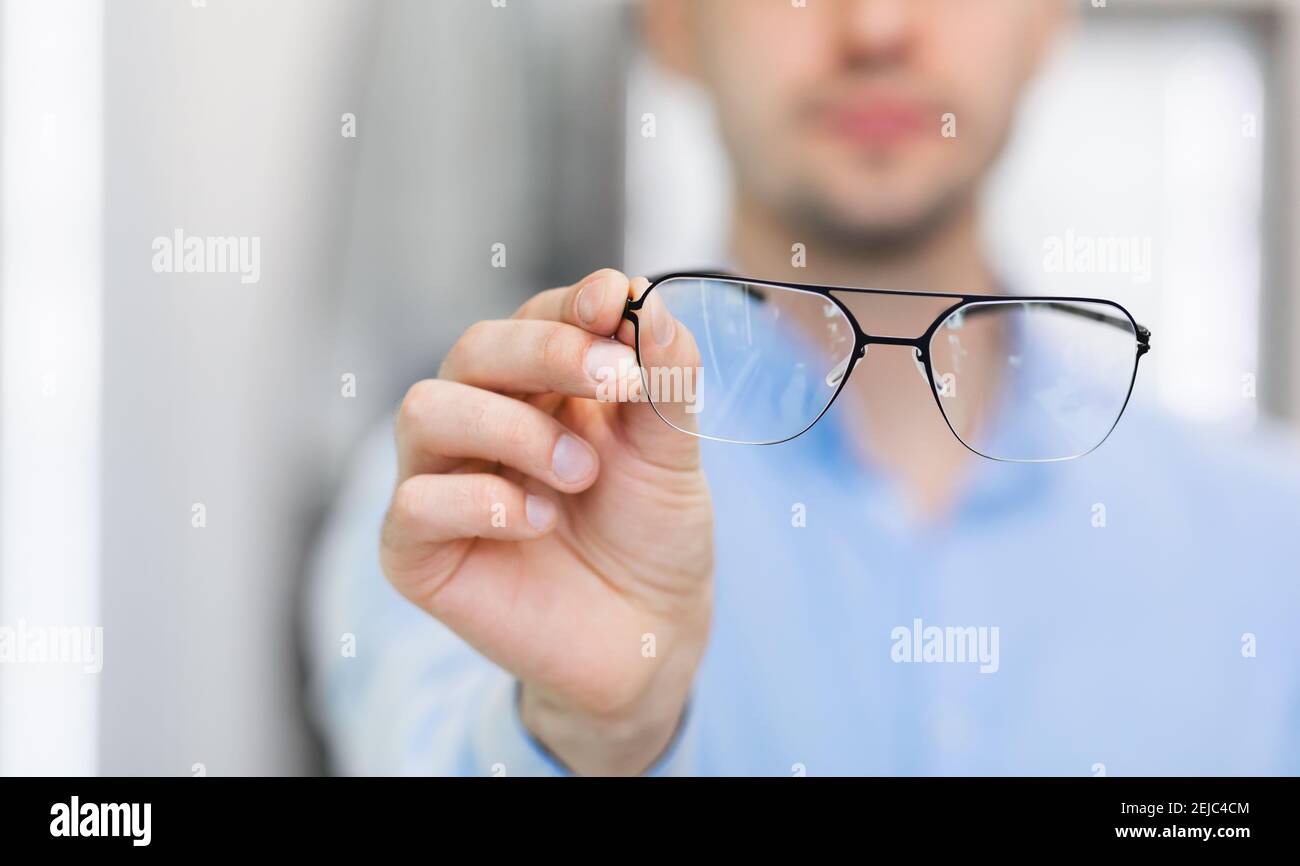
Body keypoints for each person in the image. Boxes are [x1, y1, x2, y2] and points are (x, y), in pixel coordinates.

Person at [306, 0, 1300, 776]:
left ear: (1047, 19)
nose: (873, 28)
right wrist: (592, 738)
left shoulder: (1273, 544)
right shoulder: (487, 491)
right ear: (669, 20)